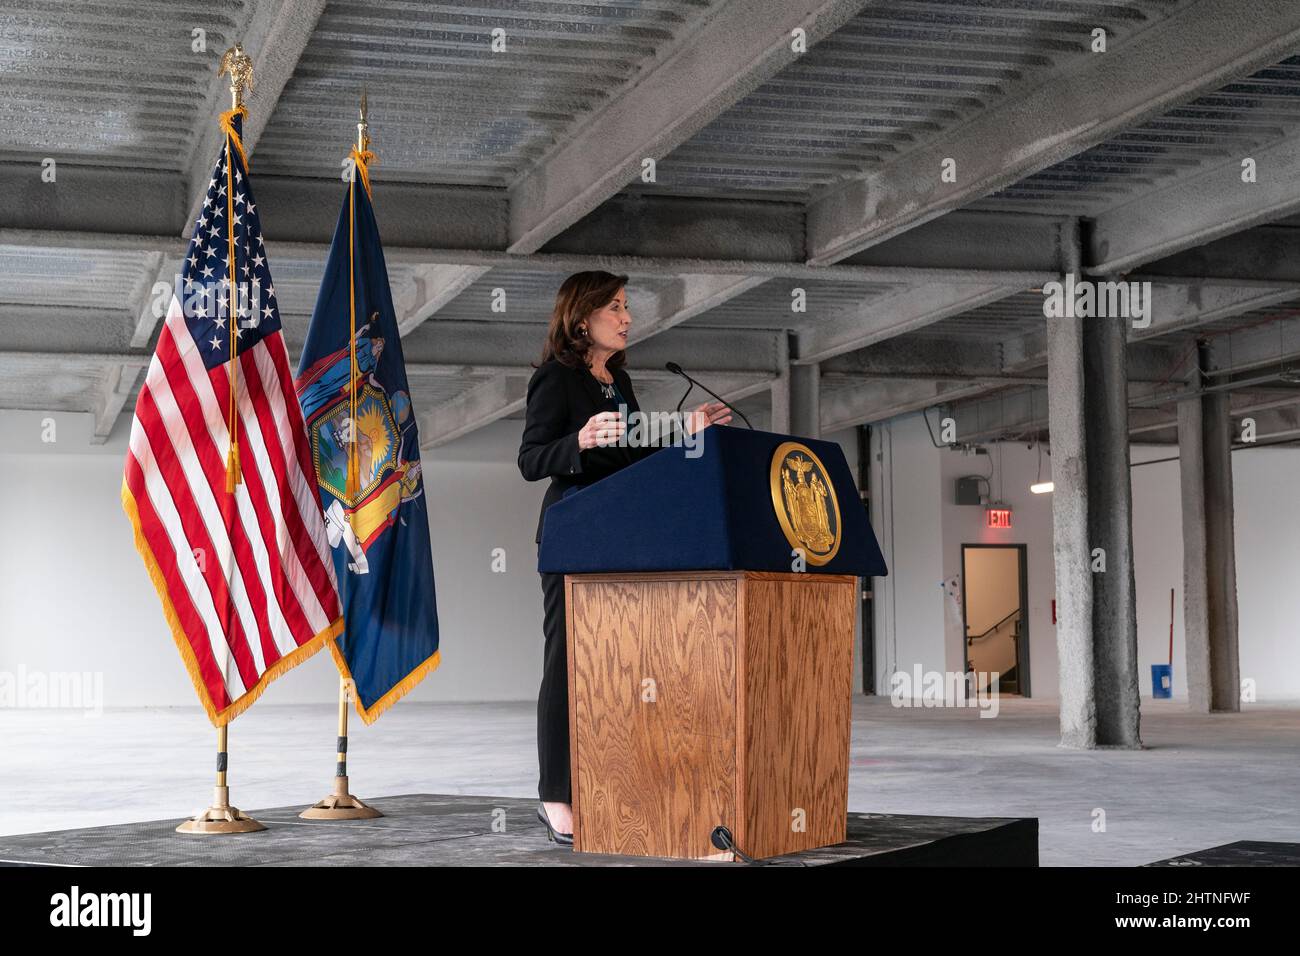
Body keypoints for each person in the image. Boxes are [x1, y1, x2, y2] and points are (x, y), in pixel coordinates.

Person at [517, 270, 731, 845]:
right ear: (582, 317)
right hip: (573, 534)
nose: (628, 318)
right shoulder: (555, 379)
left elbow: (630, 449)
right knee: (566, 665)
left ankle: (612, 780)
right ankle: (556, 795)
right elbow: (532, 459)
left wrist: (685, 430)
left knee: (620, 663)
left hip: (622, 537)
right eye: (615, 307)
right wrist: (579, 442)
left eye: (626, 307)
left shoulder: (619, 380)